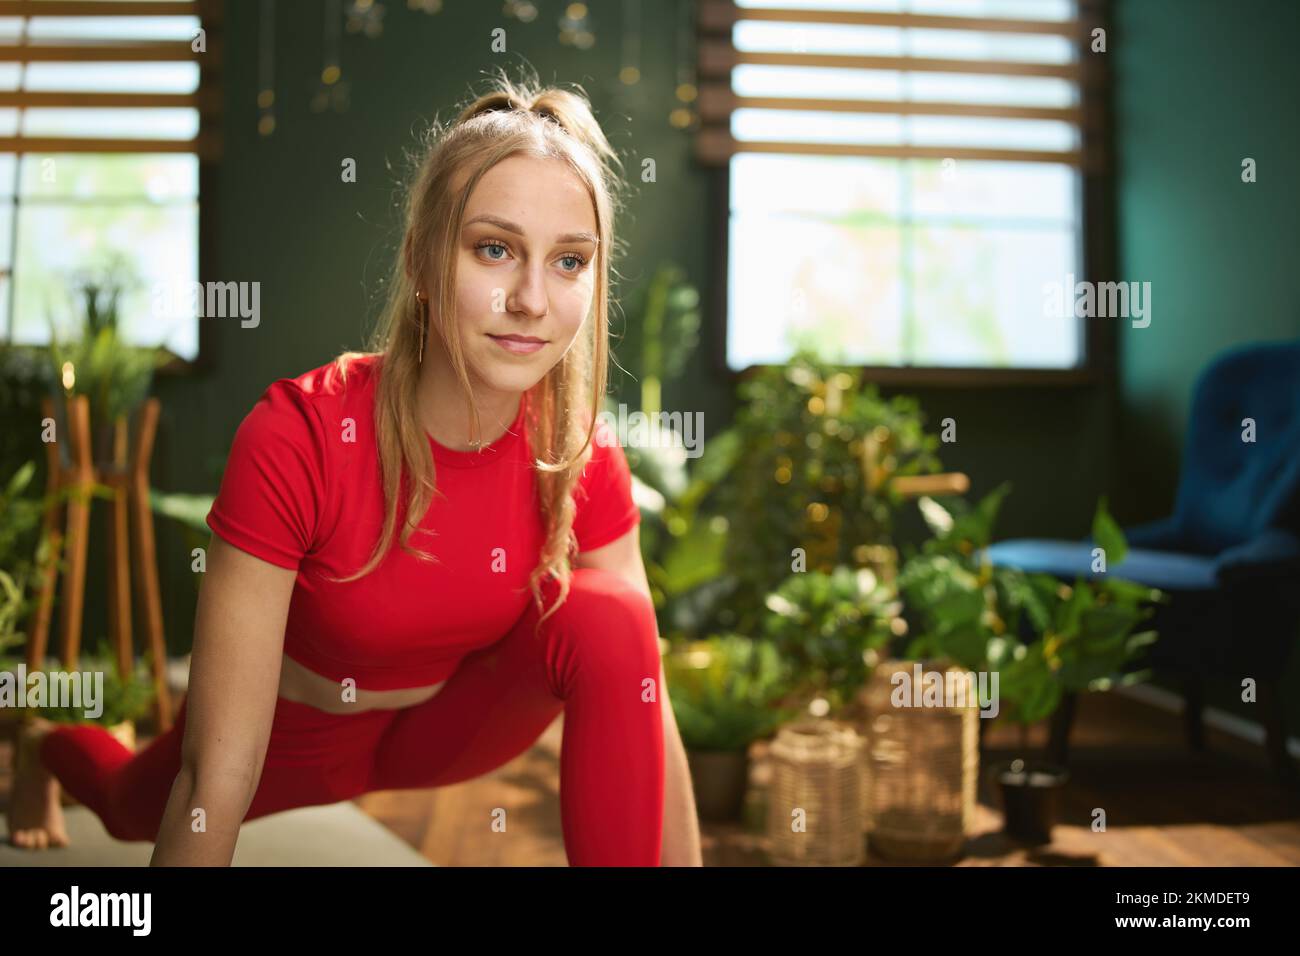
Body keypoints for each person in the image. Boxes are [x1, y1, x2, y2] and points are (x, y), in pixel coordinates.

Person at [7, 70, 702, 867]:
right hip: (291, 739)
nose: (532, 300)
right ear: (419, 261)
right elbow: (210, 778)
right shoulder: (296, 437)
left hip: (447, 729)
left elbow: (650, 709)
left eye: (570, 261)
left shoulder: (576, 449)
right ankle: (43, 748)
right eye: (494, 249)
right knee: (130, 805)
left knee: (612, 616)